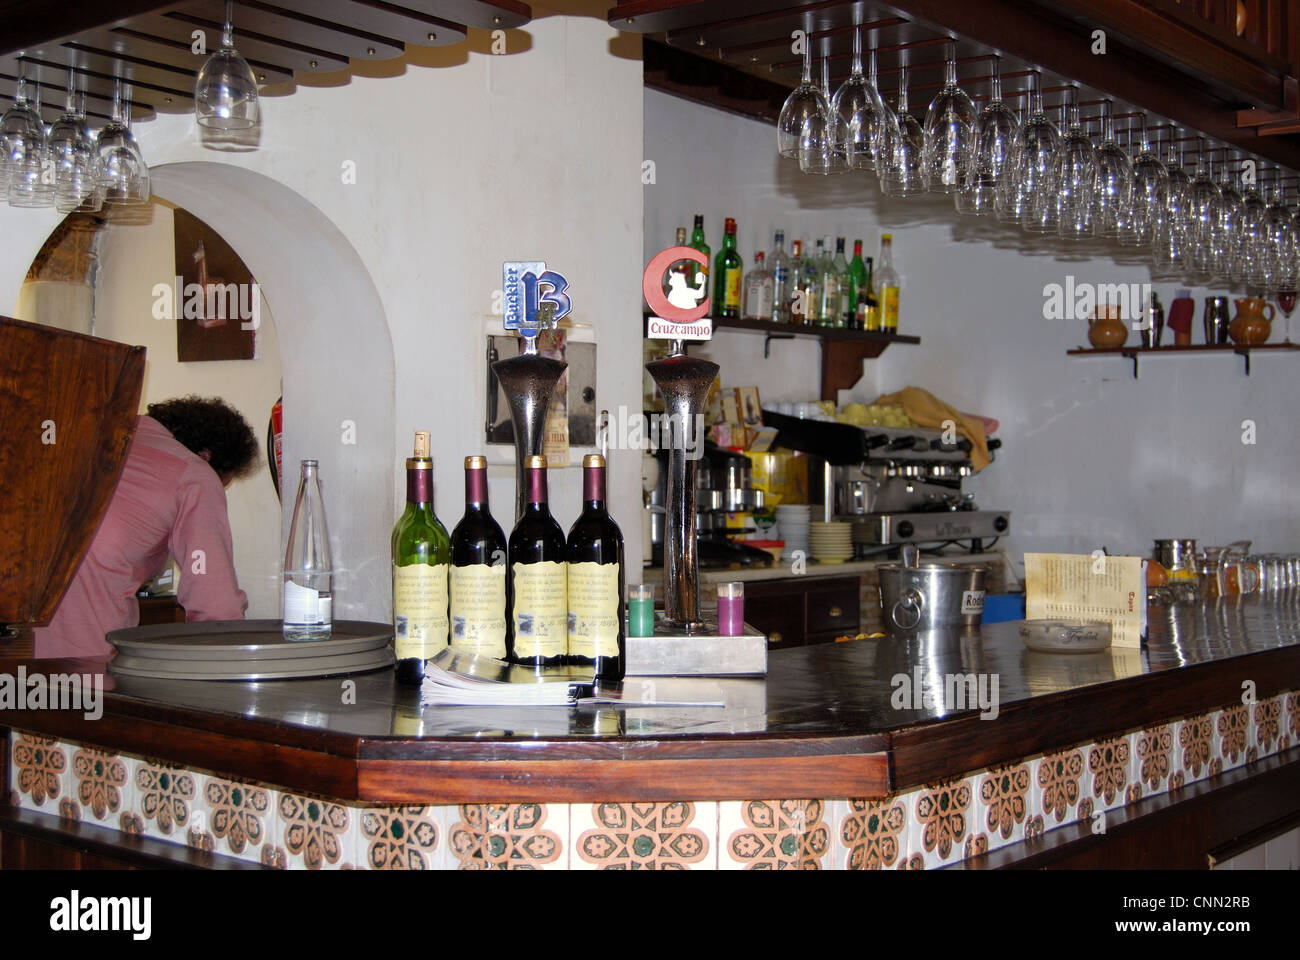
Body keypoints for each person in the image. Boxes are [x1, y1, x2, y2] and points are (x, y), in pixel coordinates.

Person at [33, 396, 260, 660]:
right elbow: (214, 605)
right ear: (205, 456)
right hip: (80, 663)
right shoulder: (193, 472)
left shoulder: (79, 433)